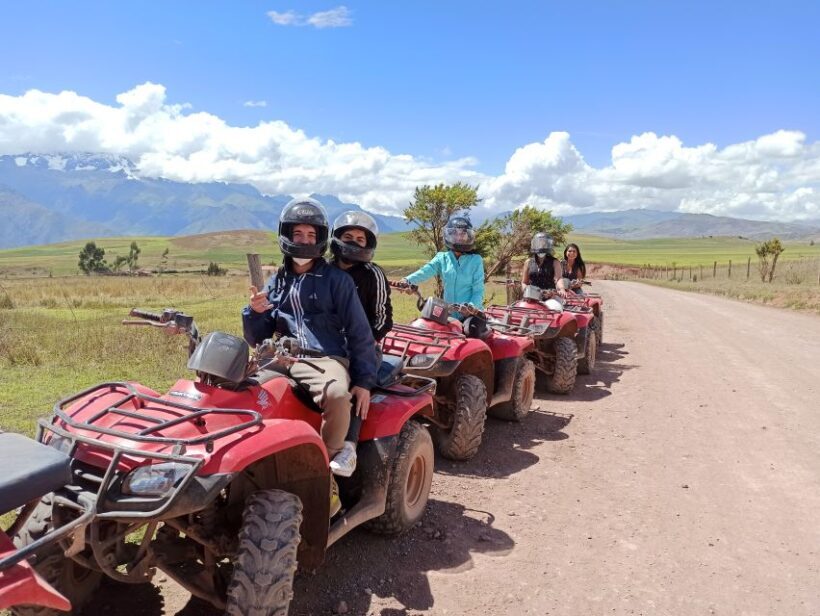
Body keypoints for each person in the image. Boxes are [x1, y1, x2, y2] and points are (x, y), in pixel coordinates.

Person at [242, 198, 377, 481]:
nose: (304, 241)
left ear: (321, 239)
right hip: (280, 356)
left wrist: (364, 382)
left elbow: (359, 331)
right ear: (287, 235)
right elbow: (257, 337)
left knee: (338, 395)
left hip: (324, 357)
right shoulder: (277, 280)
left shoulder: (336, 280)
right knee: (241, 392)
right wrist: (253, 313)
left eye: (311, 235)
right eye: (298, 234)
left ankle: (323, 468)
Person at [328, 210, 393, 474]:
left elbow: (383, 319)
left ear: (368, 244)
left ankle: (349, 447)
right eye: (348, 236)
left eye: (360, 238)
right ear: (337, 238)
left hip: (364, 347)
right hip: (324, 346)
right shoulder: (324, 270)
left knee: (354, 382)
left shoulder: (372, 274)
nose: (354, 242)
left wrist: (362, 345)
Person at [400, 215, 484, 316]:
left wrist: (471, 307)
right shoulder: (442, 258)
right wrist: (407, 280)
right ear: (449, 235)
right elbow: (425, 271)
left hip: (470, 315)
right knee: (429, 326)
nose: (459, 237)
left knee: (471, 329)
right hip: (448, 313)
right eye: (455, 234)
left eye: (463, 234)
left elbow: (478, 291)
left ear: (468, 236)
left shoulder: (475, 260)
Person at [520, 232, 571, 298]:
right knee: (523, 306)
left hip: (550, 295)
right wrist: (526, 290)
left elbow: (558, 278)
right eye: (539, 242)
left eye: (544, 242)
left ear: (548, 244)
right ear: (534, 244)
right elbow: (524, 282)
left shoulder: (555, 262)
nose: (541, 244)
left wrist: (561, 289)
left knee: (555, 306)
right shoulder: (528, 262)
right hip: (532, 296)